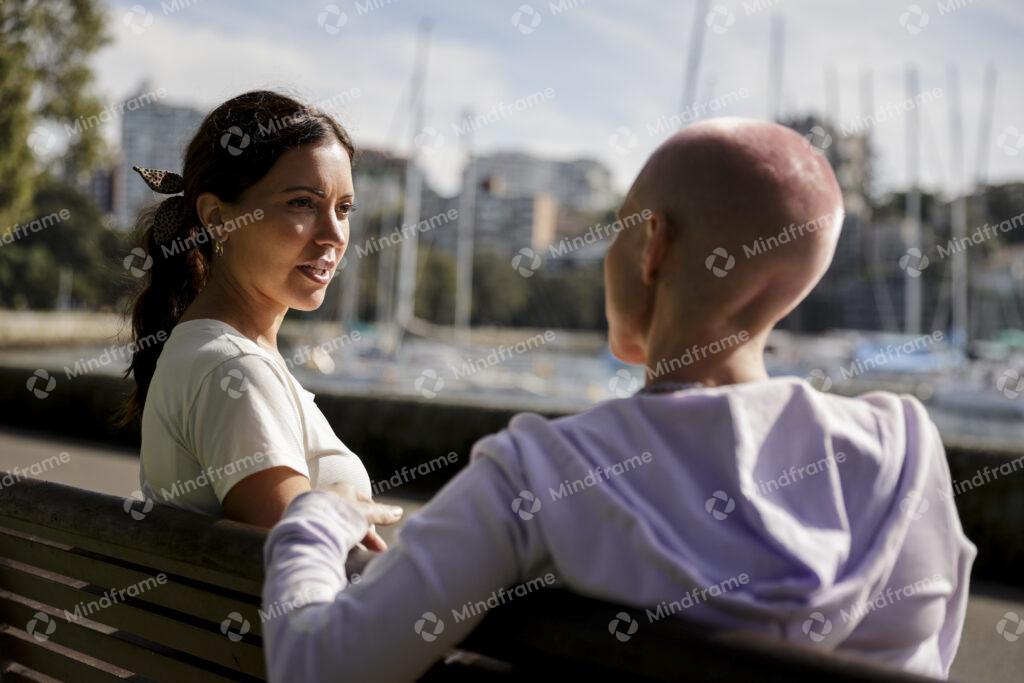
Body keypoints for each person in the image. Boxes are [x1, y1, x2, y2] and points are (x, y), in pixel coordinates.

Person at [262, 118, 976, 680]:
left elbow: (321, 666)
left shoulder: (540, 472)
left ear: (650, 245)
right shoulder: (907, 452)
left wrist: (314, 521)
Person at [122, 91, 384, 536]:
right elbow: (298, 551)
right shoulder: (234, 370)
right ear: (218, 218)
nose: (334, 235)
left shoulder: (214, 353)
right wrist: (336, 508)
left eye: (343, 208)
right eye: (302, 203)